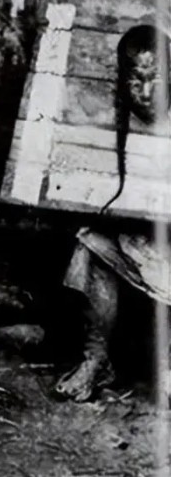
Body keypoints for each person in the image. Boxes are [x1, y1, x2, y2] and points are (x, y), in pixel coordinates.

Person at [54, 24, 171, 402]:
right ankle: (95, 360)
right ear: (120, 80)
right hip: (135, 238)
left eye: (156, 78)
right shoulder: (106, 119)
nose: (147, 92)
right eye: (135, 81)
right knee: (87, 244)